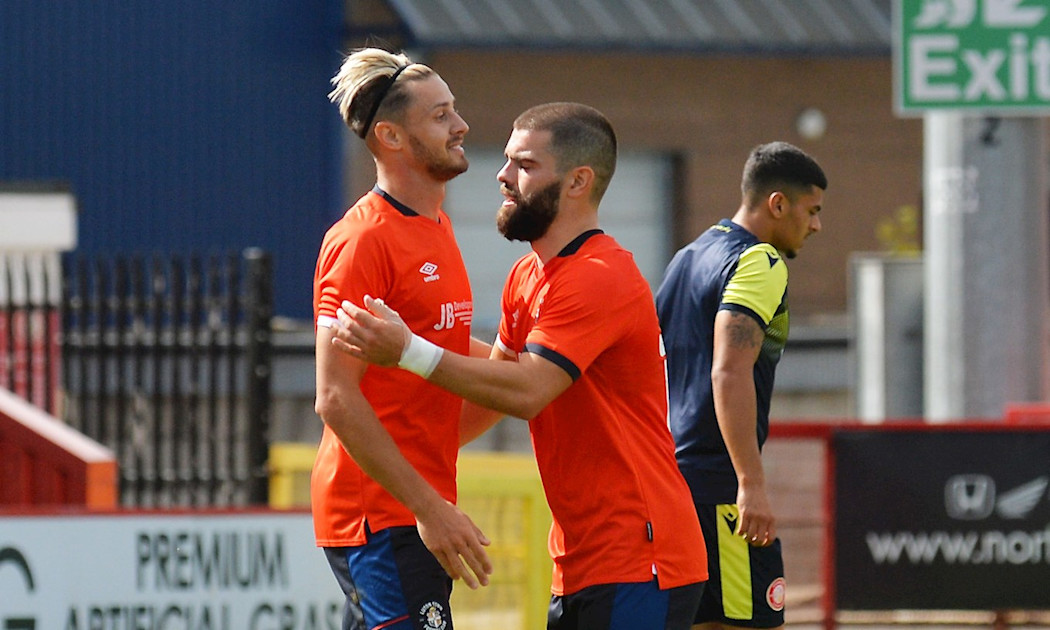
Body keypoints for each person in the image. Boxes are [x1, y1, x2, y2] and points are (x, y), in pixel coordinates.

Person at [332, 102, 708, 630]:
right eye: (507, 161)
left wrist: (409, 350)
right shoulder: (527, 276)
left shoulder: (600, 274)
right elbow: (494, 386)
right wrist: (399, 468)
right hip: (582, 560)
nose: (503, 177)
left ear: (579, 181)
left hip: (641, 557)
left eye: (524, 165)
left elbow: (526, 390)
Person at [311, 47, 493, 630]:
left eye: (454, 110)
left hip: (412, 510)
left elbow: (458, 362)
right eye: (440, 115)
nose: (460, 126)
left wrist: (538, 373)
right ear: (390, 136)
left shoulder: (436, 226)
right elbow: (335, 397)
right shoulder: (361, 242)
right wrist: (428, 506)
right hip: (380, 516)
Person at [654, 141, 827, 630]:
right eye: (811, 211)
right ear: (777, 204)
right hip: (718, 487)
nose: (816, 225)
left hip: (671, 482)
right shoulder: (761, 262)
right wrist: (750, 484)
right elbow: (729, 371)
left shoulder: (688, 256)